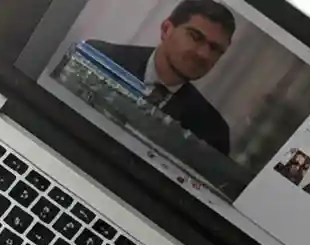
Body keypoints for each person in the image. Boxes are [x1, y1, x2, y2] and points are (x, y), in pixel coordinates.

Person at [89, 0, 235, 155]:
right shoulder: (96, 58)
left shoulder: (211, 133)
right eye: (195, 37)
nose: (203, 54)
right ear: (166, 29)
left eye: (214, 48)